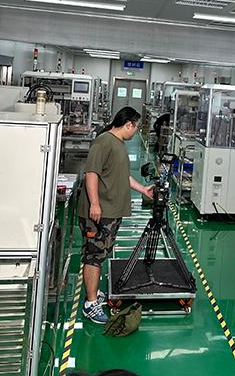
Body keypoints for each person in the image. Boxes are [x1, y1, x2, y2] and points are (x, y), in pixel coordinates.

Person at [77, 107, 154, 324]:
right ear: (128, 124)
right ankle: (91, 304)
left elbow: (122, 175)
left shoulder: (118, 144)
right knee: (93, 256)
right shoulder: (103, 142)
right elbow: (91, 174)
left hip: (111, 212)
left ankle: (93, 293)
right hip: (100, 212)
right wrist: (95, 204)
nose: (136, 132)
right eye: (136, 127)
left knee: (101, 254)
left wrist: (143, 189)